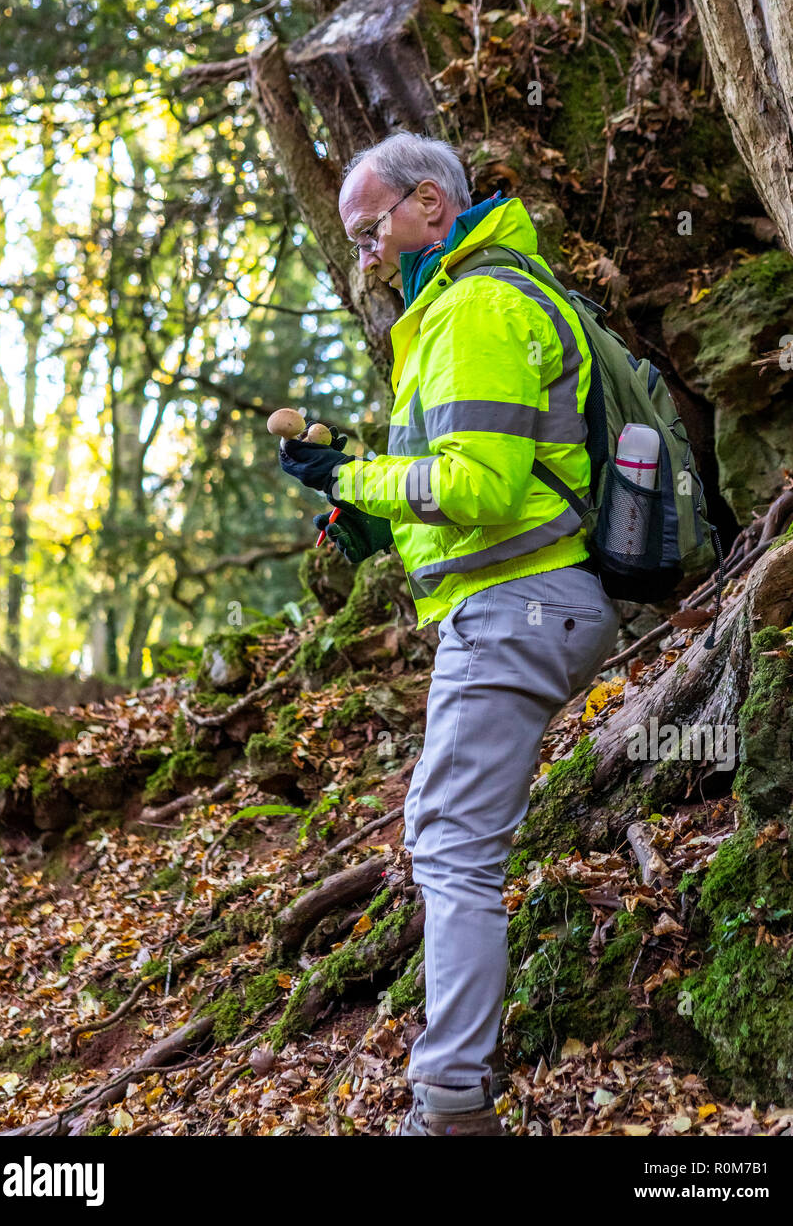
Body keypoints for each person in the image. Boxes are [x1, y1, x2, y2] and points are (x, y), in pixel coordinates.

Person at [278, 130, 620, 1136]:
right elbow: (453, 481)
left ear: (430, 203)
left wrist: (357, 475)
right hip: (516, 603)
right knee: (445, 838)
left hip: (518, 608)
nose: (366, 256)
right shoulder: (454, 308)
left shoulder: (475, 305)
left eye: (370, 229)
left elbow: (477, 484)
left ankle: (449, 1106)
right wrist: (363, 490)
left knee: (453, 851)